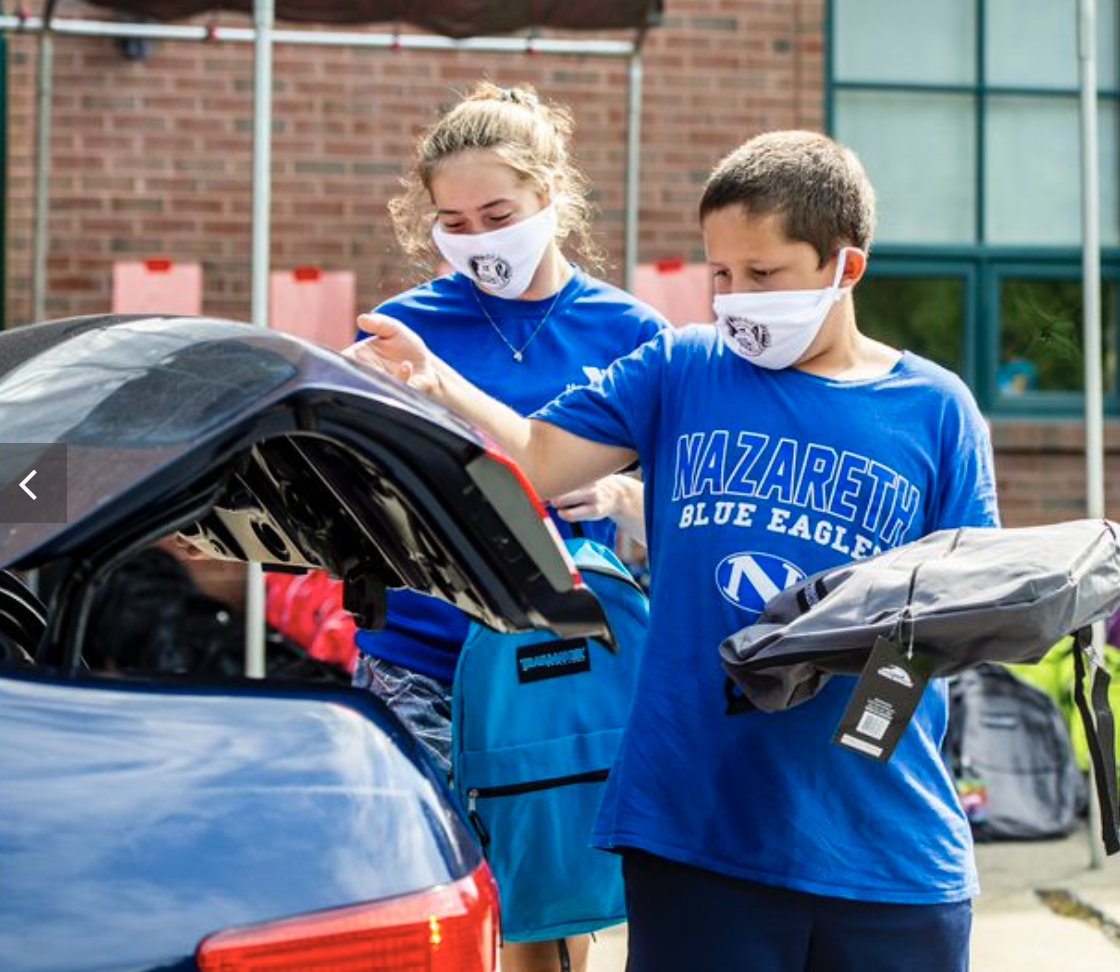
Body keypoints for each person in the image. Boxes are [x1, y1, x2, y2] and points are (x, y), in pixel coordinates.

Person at [348, 130, 998, 972]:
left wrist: (867, 735)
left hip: (885, 848)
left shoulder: (938, 409)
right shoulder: (681, 366)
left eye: (763, 274)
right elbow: (536, 461)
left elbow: (957, 612)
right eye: (720, 274)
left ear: (846, 267)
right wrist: (438, 381)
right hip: (695, 836)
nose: (737, 300)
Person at [354, 80, 666, 972]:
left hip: (558, 662)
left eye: (498, 215)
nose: (479, 240)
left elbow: (686, 510)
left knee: (544, 912)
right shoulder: (404, 328)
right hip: (419, 653)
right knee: (423, 912)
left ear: (551, 194)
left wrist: (621, 498)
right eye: (454, 222)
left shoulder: (630, 332)